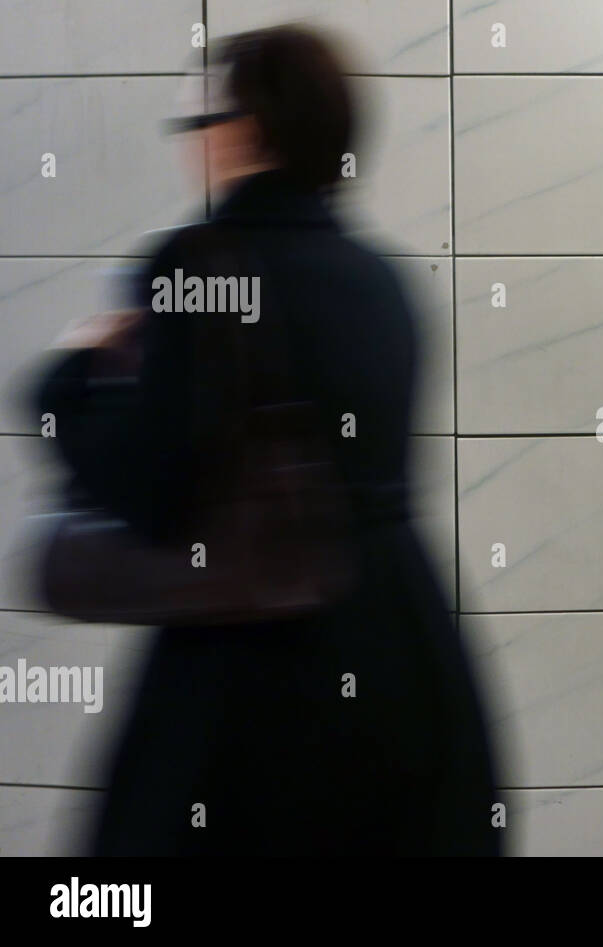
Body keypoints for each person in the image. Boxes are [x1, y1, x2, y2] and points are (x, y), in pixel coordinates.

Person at [29, 25, 499, 855]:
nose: (188, 150)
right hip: (411, 658)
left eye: (195, 127)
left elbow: (153, 489)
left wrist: (65, 382)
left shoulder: (198, 264)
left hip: (256, 672)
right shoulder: (382, 277)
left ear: (246, 132)